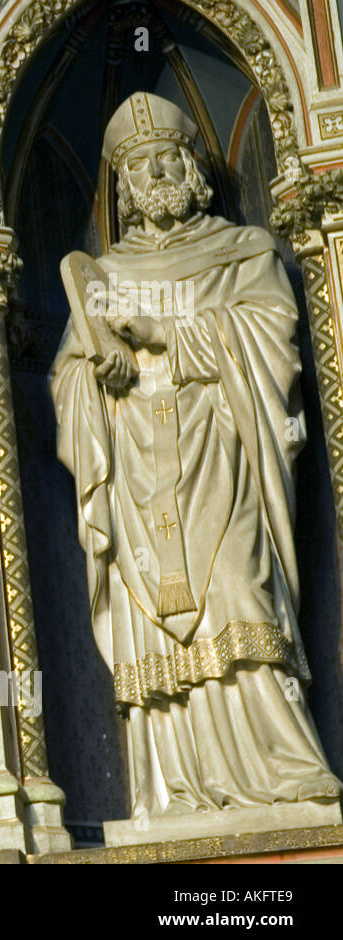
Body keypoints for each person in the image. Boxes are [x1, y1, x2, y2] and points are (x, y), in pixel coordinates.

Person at [52, 93, 340, 819]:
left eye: (164, 159)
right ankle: (174, 789)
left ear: (192, 166)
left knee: (239, 590)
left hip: (221, 443)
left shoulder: (243, 251)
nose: (153, 176)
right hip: (135, 464)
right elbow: (65, 375)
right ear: (124, 187)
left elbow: (270, 340)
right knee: (150, 618)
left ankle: (283, 768)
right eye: (136, 168)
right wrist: (97, 373)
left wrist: (160, 332)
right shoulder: (106, 272)